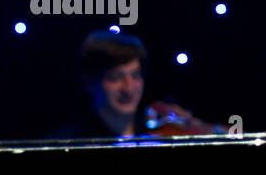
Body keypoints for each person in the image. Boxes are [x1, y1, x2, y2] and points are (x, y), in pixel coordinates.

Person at [45, 30, 224, 139]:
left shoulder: (164, 130)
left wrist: (195, 124)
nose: (129, 88)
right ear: (91, 81)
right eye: (116, 77)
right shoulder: (69, 141)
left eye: (136, 75)